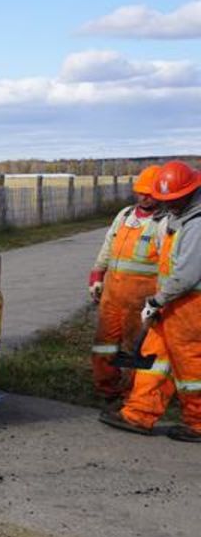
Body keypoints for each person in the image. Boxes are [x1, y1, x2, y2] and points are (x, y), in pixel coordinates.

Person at [100, 161, 201, 442]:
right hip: (172, 302)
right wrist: (159, 302)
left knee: (191, 366)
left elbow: (186, 275)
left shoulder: (197, 224)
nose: (169, 203)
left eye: (175, 198)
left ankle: (198, 423)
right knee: (155, 358)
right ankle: (138, 414)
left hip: (191, 306)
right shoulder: (179, 217)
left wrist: (157, 301)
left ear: (191, 192)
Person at [89, 165, 167, 400]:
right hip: (112, 296)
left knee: (138, 348)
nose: (144, 197)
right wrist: (96, 275)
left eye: (150, 193)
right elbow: (108, 246)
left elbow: (168, 265)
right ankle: (106, 386)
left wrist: (161, 300)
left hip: (141, 301)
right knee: (104, 343)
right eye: (141, 192)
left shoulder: (164, 222)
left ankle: (134, 393)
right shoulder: (124, 215)